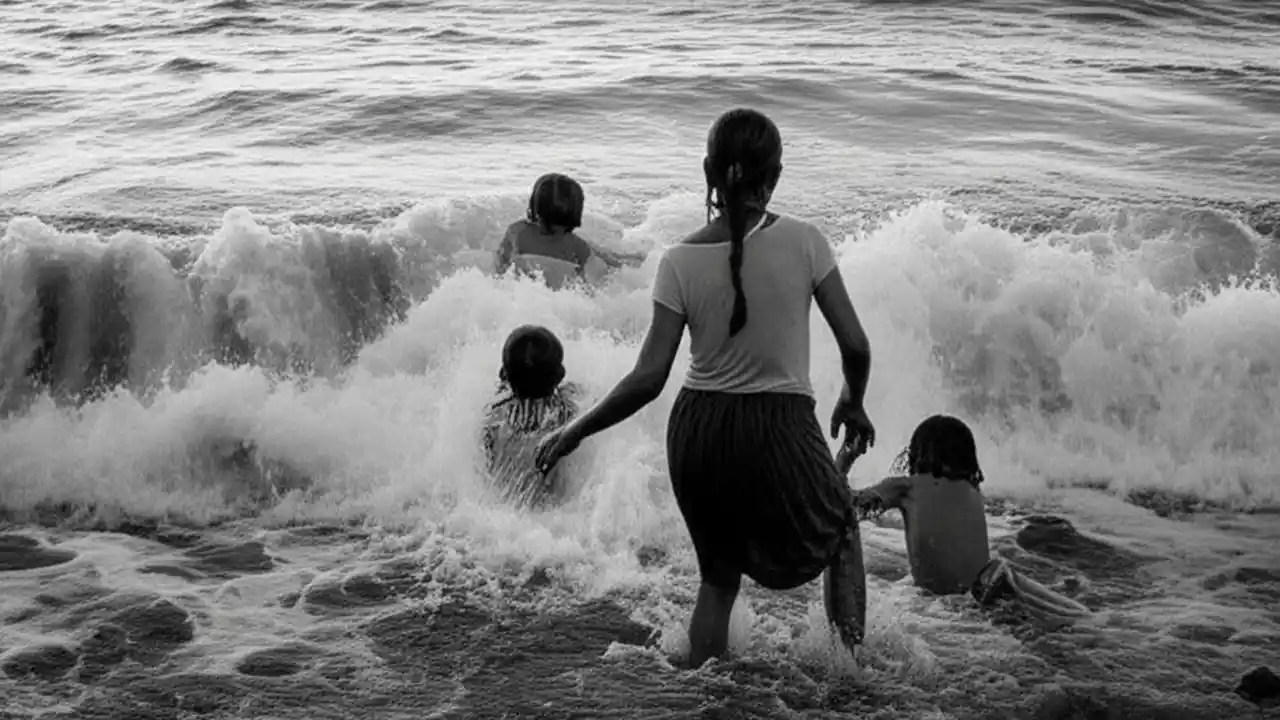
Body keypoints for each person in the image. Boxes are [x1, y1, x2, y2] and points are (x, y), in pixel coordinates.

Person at [534, 108, 876, 667]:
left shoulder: (678, 260)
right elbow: (856, 347)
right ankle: (849, 668)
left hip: (699, 433)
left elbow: (648, 379)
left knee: (718, 581)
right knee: (839, 528)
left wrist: (576, 430)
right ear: (777, 175)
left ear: (708, 171)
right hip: (779, 426)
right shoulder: (807, 242)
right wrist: (852, 400)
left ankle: (701, 684)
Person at [843, 415, 1091, 621]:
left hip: (951, 603)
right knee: (1071, 620)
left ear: (916, 455)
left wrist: (846, 457)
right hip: (990, 582)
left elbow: (846, 506)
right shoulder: (973, 491)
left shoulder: (907, 488)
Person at [480, 325, 583, 508]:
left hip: (503, 505)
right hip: (551, 510)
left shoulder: (494, 412)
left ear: (503, 374)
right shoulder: (567, 410)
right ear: (561, 375)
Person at [496, 173, 639, 289]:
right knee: (608, 257)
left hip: (528, 291)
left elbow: (502, 261)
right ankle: (636, 258)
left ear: (535, 208)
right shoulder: (578, 246)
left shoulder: (517, 232)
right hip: (563, 289)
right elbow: (589, 284)